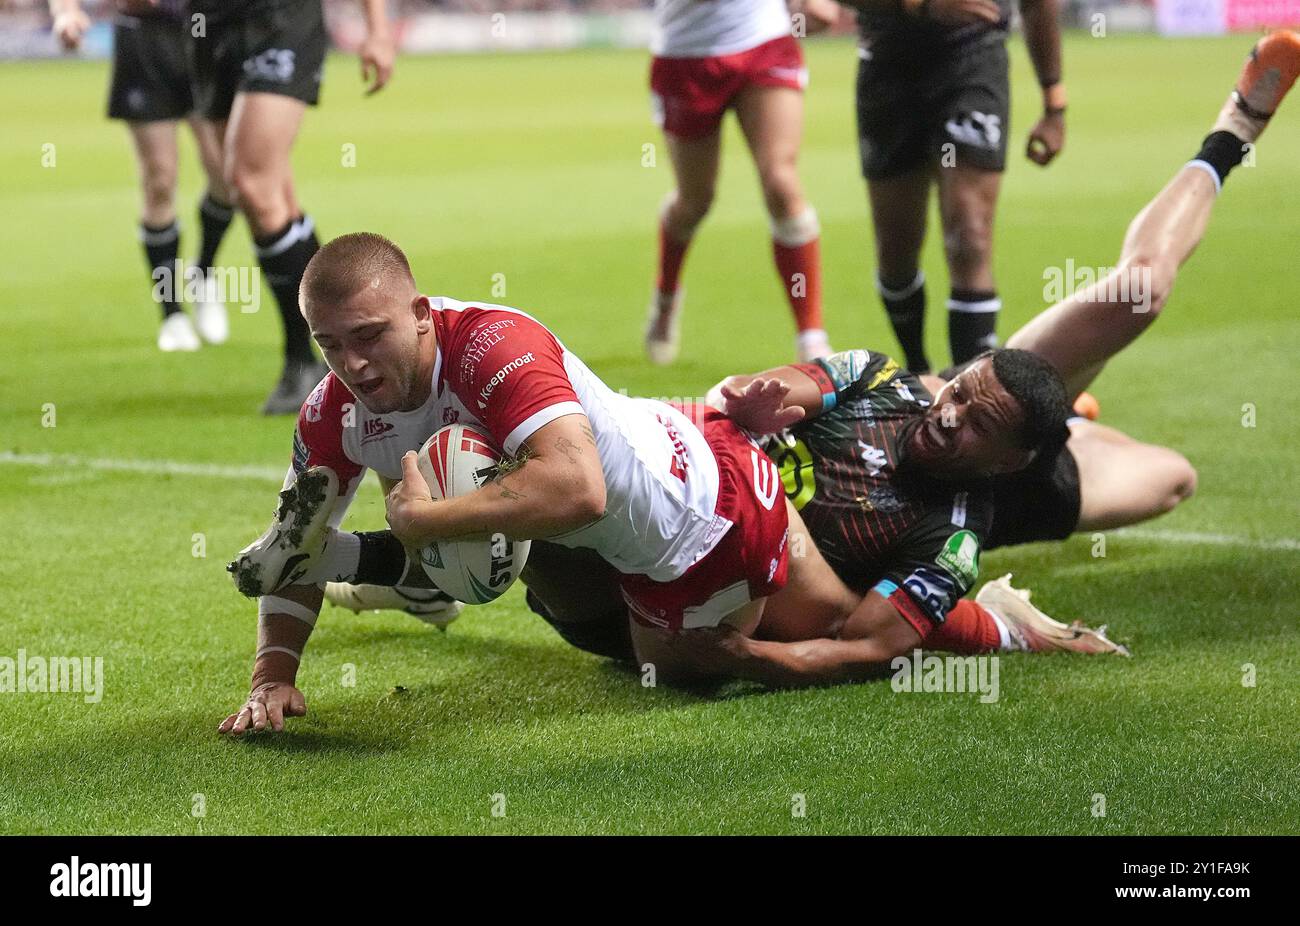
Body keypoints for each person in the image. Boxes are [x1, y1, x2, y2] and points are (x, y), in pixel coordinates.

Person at [218, 232, 797, 733]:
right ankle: (423, 577)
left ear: (420, 313)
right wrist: (273, 675)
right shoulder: (331, 413)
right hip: (579, 551)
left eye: (369, 335)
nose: (353, 364)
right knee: (651, 661)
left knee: (813, 626)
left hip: (697, 500)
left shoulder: (491, 346)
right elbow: (293, 544)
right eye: (330, 345)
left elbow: (579, 488)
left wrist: (427, 522)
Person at [186, 0, 395, 413]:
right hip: (208, 23)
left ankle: (301, 359)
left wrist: (377, 29)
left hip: (281, 18)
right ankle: (330, 355)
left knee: (251, 184)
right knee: (272, 195)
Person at [847, 0, 1067, 374]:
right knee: (896, 248)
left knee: (970, 235)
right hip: (887, 64)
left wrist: (1054, 102)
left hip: (973, 62)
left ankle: (970, 384)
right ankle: (917, 372)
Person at [644, 0, 842, 365]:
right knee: (695, 202)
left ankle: (812, 338)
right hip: (686, 53)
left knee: (781, 183)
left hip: (764, 41)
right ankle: (666, 295)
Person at [51, 0, 234, 352]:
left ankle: (203, 271)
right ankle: (172, 314)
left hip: (206, 30)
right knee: (159, 180)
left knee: (227, 175)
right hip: (143, 36)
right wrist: (65, 12)